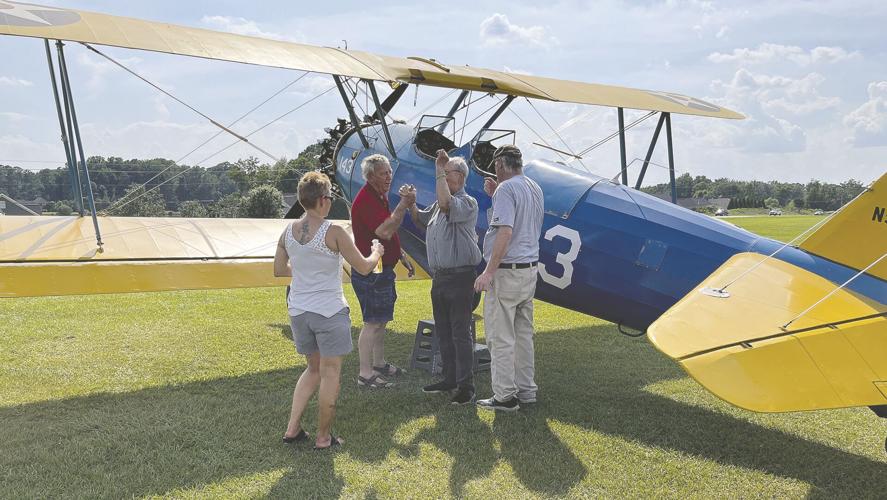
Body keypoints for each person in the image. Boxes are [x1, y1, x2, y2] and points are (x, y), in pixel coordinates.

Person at [273, 171, 384, 450]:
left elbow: (278, 270)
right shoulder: (333, 231)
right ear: (323, 200)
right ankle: (323, 437)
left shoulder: (287, 232)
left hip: (299, 311)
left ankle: (292, 429)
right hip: (329, 311)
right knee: (330, 373)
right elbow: (363, 266)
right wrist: (377, 251)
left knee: (312, 369)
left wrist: (304, 267)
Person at [406, 150, 483, 405]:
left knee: (460, 334)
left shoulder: (467, 202)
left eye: (445, 173)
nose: (440, 177)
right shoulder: (438, 206)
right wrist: (412, 203)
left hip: (461, 277)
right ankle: (450, 378)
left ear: (459, 177)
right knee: (444, 332)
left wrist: (439, 169)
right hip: (440, 278)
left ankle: (466, 386)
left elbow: (446, 204)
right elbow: (420, 220)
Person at [473, 145, 544, 412]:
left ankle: (504, 396)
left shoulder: (506, 189)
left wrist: (489, 271)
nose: (495, 171)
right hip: (529, 271)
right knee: (524, 335)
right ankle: (527, 390)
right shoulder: (533, 187)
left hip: (507, 272)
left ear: (501, 164)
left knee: (500, 337)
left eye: (495, 166)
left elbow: (505, 231)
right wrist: (496, 196)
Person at [349, 154, 415, 388]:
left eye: (389, 172)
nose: (389, 177)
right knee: (372, 322)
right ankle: (365, 374)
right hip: (372, 272)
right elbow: (385, 230)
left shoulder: (378, 196)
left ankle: (378, 363)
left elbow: (388, 229)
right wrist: (404, 205)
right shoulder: (367, 199)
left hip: (382, 269)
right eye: (383, 173)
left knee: (380, 320)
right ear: (370, 176)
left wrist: (401, 255)